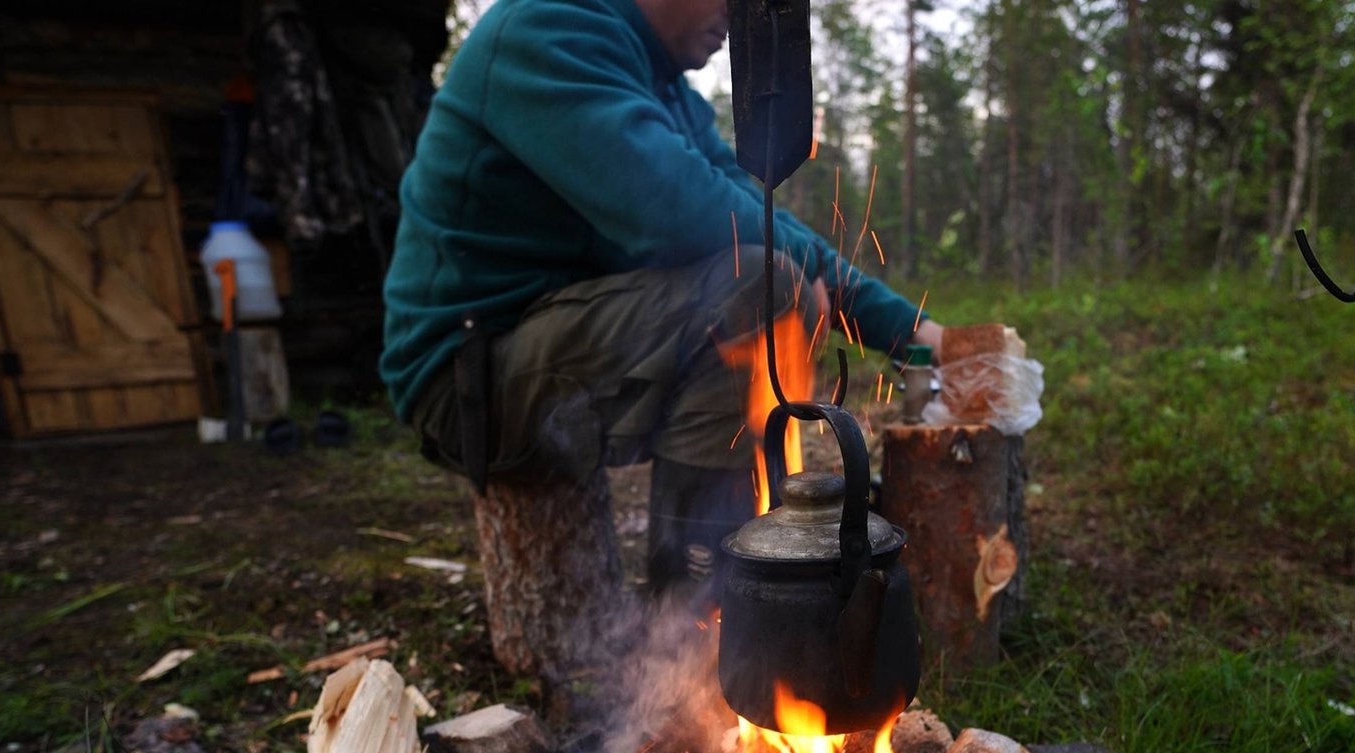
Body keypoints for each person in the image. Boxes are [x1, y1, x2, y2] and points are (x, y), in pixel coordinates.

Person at [381, 0, 945, 593]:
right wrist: (815, 293)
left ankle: (733, 589)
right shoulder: (548, 30)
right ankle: (696, 613)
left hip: (545, 345)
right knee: (763, 288)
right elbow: (676, 212)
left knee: (773, 276)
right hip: (467, 380)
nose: (738, 17)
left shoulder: (663, 84)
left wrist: (912, 334)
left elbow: (754, 211)